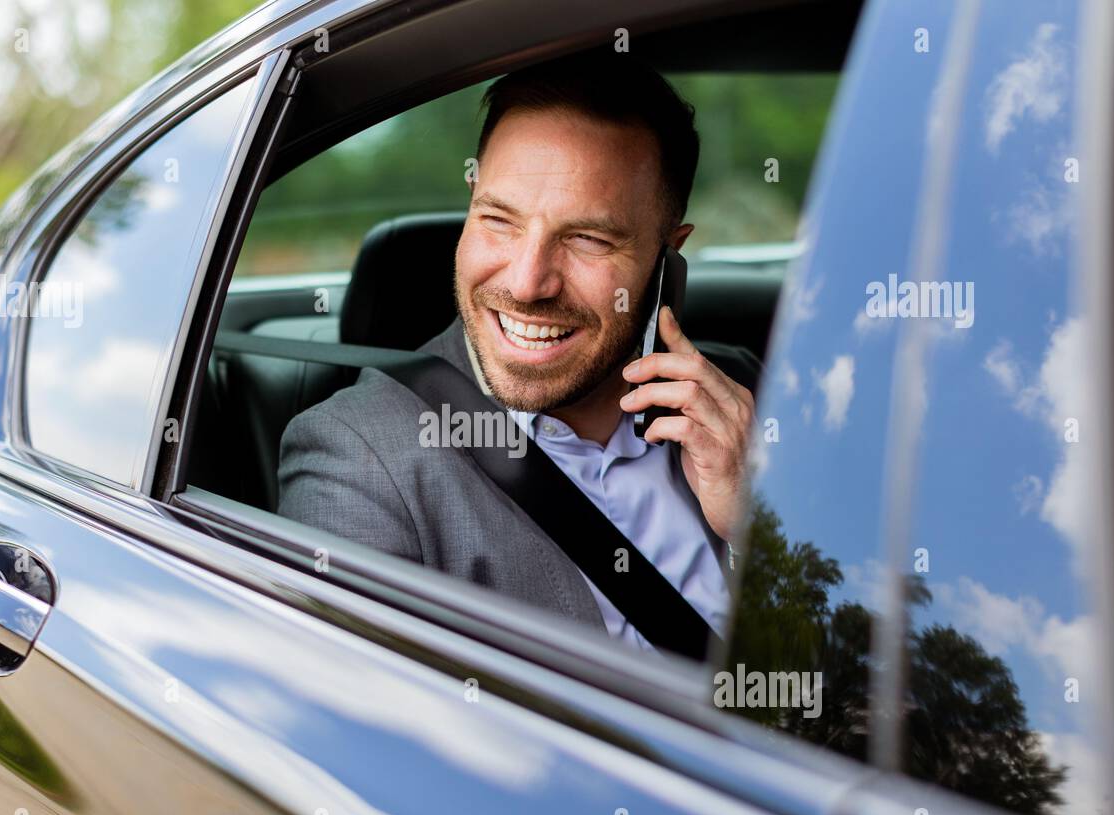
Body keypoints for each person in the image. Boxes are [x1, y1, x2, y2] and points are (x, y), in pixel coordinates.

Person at [278, 52, 756, 651]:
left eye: (587, 238)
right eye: (499, 220)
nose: (529, 283)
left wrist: (759, 528)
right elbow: (362, 728)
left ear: (667, 259)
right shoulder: (361, 457)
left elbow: (872, 681)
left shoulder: (740, 398)